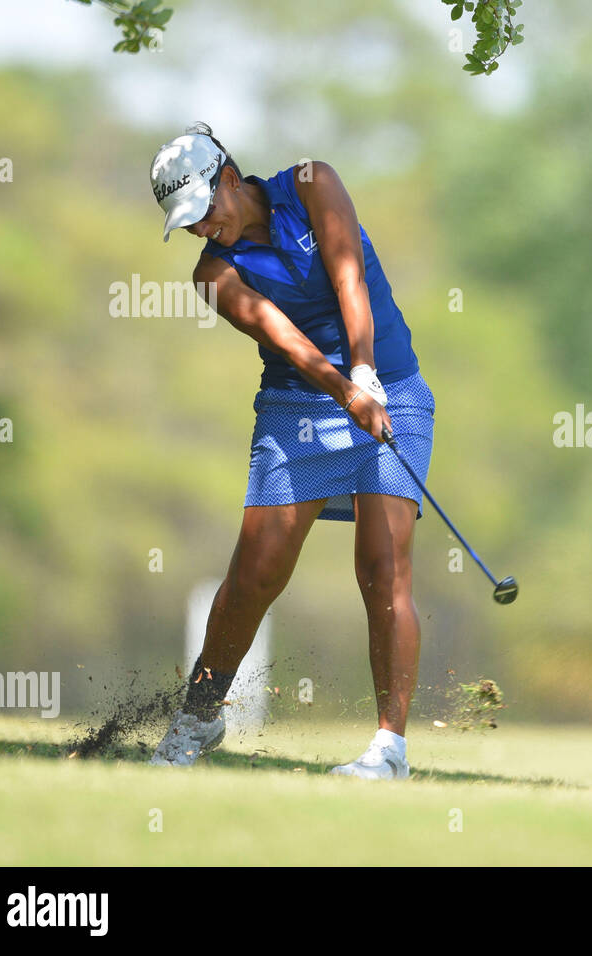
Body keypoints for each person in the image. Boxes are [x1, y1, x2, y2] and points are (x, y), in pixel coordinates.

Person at [146, 122, 432, 780]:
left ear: (227, 178)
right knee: (256, 573)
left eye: (203, 211)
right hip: (298, 403)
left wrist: (364, 375)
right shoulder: (212, 274)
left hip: (391, 386)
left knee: (383, 568)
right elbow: (286, 340)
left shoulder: (311, 184)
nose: (201, 229)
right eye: (187, 224)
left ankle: (389, 750)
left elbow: (350, 278)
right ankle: (199, 717)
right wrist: (344, 389)